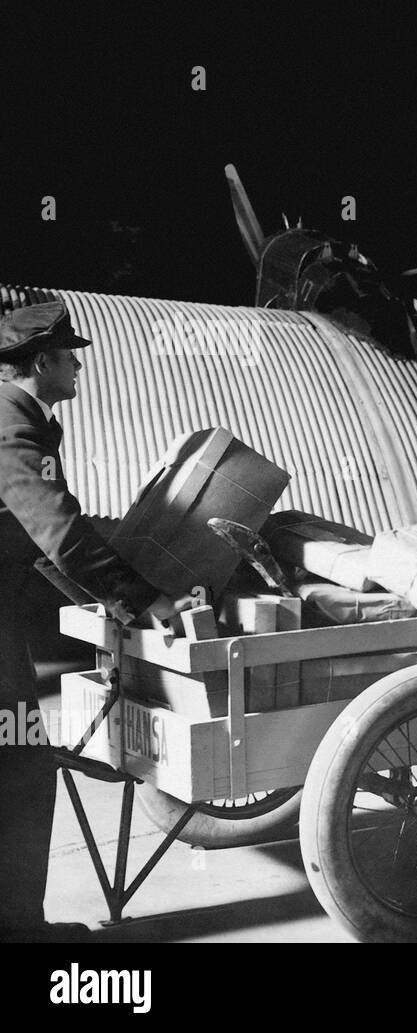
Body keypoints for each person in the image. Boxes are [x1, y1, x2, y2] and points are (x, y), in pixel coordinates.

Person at [0, 300, 186, 942]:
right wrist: (144, 600)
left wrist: (106, 601)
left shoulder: (25, 419)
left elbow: (39, 538)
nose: (78, 364)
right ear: (41, 361)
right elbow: (61, 534)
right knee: (20, 759)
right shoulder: (10, 426)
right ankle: (20, 929)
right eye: (69, 355)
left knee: (16, 753)